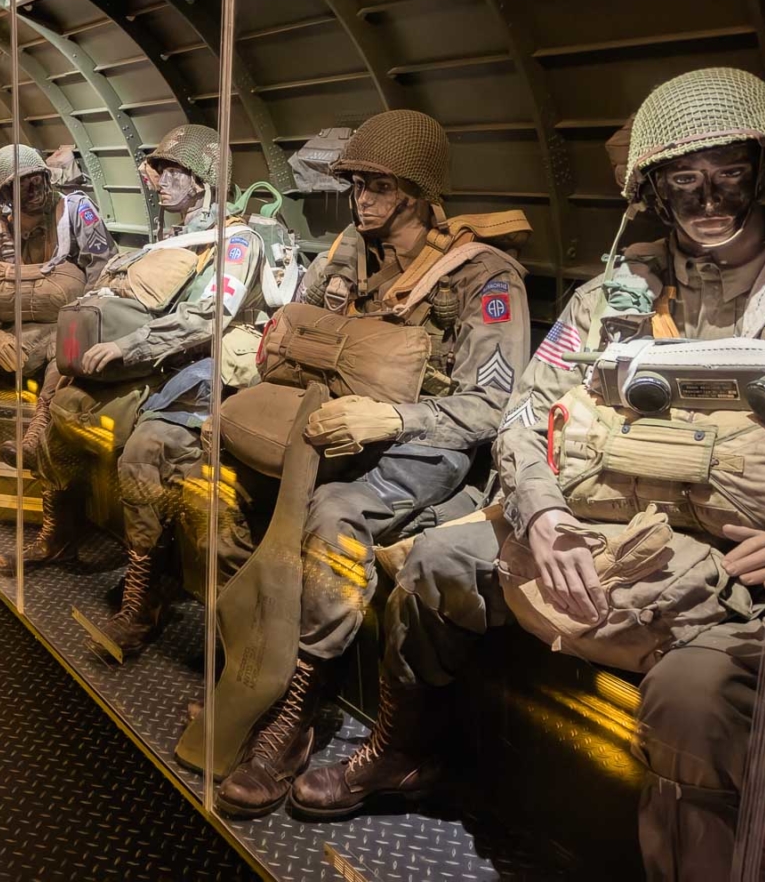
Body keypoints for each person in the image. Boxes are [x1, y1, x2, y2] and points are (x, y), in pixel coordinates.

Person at [485, 66, 765, 881]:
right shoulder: (612, 295)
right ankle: (404, 755)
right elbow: (523, 409)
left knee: (689, 699)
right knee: (441, 561)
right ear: (651, 188)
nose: (708, 198)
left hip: (752, 570)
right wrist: (540, 513)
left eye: (728, 174)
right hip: (617, 532)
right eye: (682, 179)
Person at [207, 110, 532, 819]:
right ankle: (242, 662)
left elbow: (491, 408)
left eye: (378, 185)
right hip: (333, 419)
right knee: (221, 467)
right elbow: (294, 328)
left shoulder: (484, 277)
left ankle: (297, 707)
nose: (361, 198)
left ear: (418, 190)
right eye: (355, 183)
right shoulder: (351, 252)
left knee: (334, 512)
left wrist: (393, 417)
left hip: (428, 445)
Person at [4, 124, 275, 577]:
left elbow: (203, 318)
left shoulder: (237, 243)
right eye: (161, 170)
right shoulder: (175, 237)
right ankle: (59, 534)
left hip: (201, 368)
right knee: (65, 403)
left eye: (177, 173)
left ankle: (146, 586)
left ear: (205, 184)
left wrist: (125, 345)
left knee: (144, 452)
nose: (163, 181)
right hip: (158, 358)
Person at [0, 144, 114, 512]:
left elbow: (103, 271)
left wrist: (74, 311)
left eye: (37, 178)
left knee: (66, 349)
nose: (34, 189)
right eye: (21, 184)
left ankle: (35, 436)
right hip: (13, 329)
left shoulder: (75, 213)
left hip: (71, 319)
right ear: (4, 194)